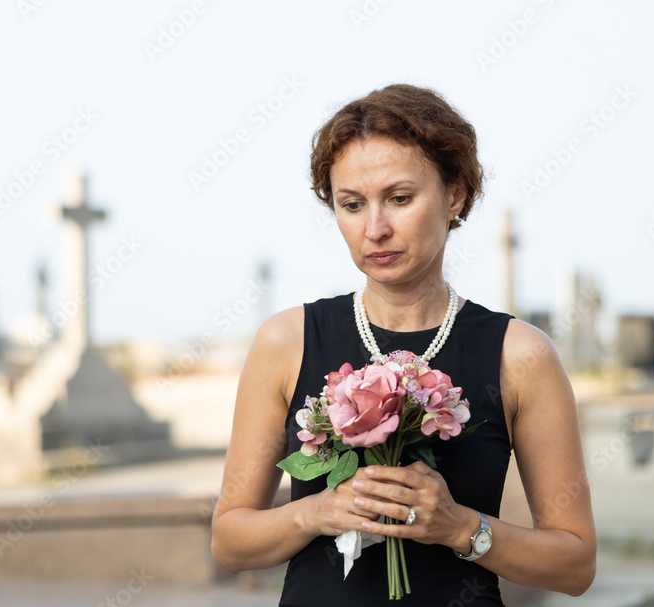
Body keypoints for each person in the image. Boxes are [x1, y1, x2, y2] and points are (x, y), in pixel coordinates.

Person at [211, 84, 596, 606]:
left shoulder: (520, 355)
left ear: (454, 195)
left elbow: (575, 566)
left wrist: (460, 527)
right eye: (351, 204)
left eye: (399, 198)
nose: (375, 229)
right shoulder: (286, 342)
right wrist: (314, 512)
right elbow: (230, 543)